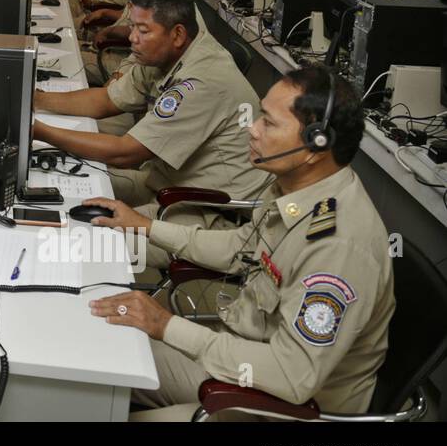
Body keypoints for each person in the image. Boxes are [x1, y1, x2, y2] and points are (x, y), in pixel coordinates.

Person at [86, 67, 395, 418]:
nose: (252, 128)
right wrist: (146, 226)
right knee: (98, 342)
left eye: (269, 122)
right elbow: (239, 248)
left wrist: (165, 324)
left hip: (283, 405)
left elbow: (291, 376)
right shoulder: (295, 189)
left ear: (316, 144)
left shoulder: (338, 246)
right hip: (241, 355)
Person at [33, 0, 264, 224]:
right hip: (166, 182)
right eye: (132, 27)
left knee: (85, 235)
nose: (132, 38)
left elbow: (126, 153)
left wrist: (39, 131)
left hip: (206, 210)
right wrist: (35, 100)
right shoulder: (163, 55)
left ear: (177, 35)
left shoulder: (201, 79)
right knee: (57, 182)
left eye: (143, 30)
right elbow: (104, 100)